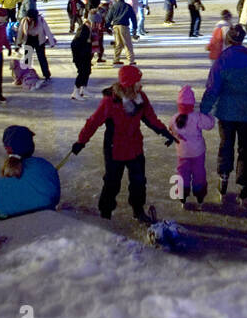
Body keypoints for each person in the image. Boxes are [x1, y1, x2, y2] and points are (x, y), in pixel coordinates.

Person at [72, 65, 173, 223]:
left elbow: (151, 118)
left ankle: (138, 210)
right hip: (115, 150)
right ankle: (105, 212)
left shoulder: (141, 98)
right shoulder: (110, 102)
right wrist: (81, 141)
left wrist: (164, 132)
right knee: (112, 183)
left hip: (135, 148)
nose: (141, 85)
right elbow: (93, 122)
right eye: (138, 82)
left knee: (139, 182)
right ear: (129, 84)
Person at [200, 24, 247, 203]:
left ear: (229, 40)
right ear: (242, 40)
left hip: (226, 113)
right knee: (246, 148)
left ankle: (223, 176)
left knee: (226, 144)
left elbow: (212, 88)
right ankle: (244, 186)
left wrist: (203, 111)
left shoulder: (222, 60)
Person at [0, 125, 60, 222]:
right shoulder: (46, 167)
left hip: (6, 229)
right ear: (32, 146)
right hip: (44, 223)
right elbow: (55, 199)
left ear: (7, 148)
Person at [168, 85, 216, 207]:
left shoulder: (174, 118)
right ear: (192, 104)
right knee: (198, 173)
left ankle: (182, 196)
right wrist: (210, 115)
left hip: (182, 152)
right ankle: (200, 195)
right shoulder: (197, 117)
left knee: (182, 173)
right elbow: (210, 124)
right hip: (197, 152)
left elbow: (171, 129)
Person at [18, 6, 55, 84]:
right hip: (28, 39)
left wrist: (51, 42)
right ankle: (26, 74)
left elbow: (47, 31)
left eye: (31, 18)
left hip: (39, 40)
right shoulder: (24, 21)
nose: (29, 19)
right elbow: (20, 32)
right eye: (28, 17)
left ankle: (46, 75)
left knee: (42, 58)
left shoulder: (40, 20)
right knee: (27, 58)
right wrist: (18, 42)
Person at [107, 0, 137, 64]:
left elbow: (108, 18)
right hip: (124, 27)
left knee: (118, 43)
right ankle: (130, 60)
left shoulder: (113, 6)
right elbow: (133, 18)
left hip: (115, 27)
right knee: (127, 43)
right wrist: (134, 28)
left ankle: (116, 59)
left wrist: (108, 27)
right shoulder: (127, 6)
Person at [70, 19, 92, 99]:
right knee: (82, 72)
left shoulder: (87, 30)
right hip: (81, 56)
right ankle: (75, 92)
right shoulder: (83, 29)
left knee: (87, 71)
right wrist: (80, 56)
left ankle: (83, 89)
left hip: (85, 56)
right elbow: (77, 44)